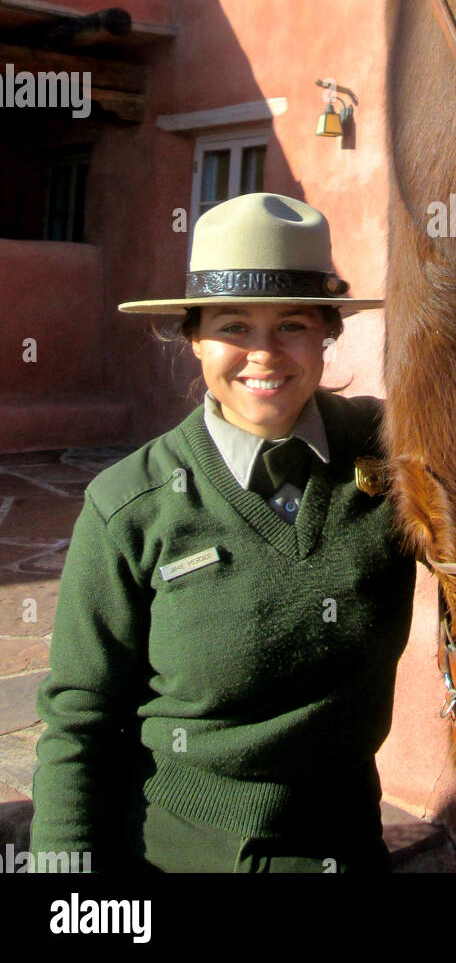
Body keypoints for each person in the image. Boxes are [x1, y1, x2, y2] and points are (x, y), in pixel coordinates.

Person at [29, 193, 415, 873]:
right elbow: (79, 723)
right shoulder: (131, 507)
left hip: (350, 848)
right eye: (233, 326)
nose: (263, 355)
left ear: (327, 332)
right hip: (183, 858)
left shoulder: (393, 457)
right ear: (192, 336)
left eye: (292, 325)